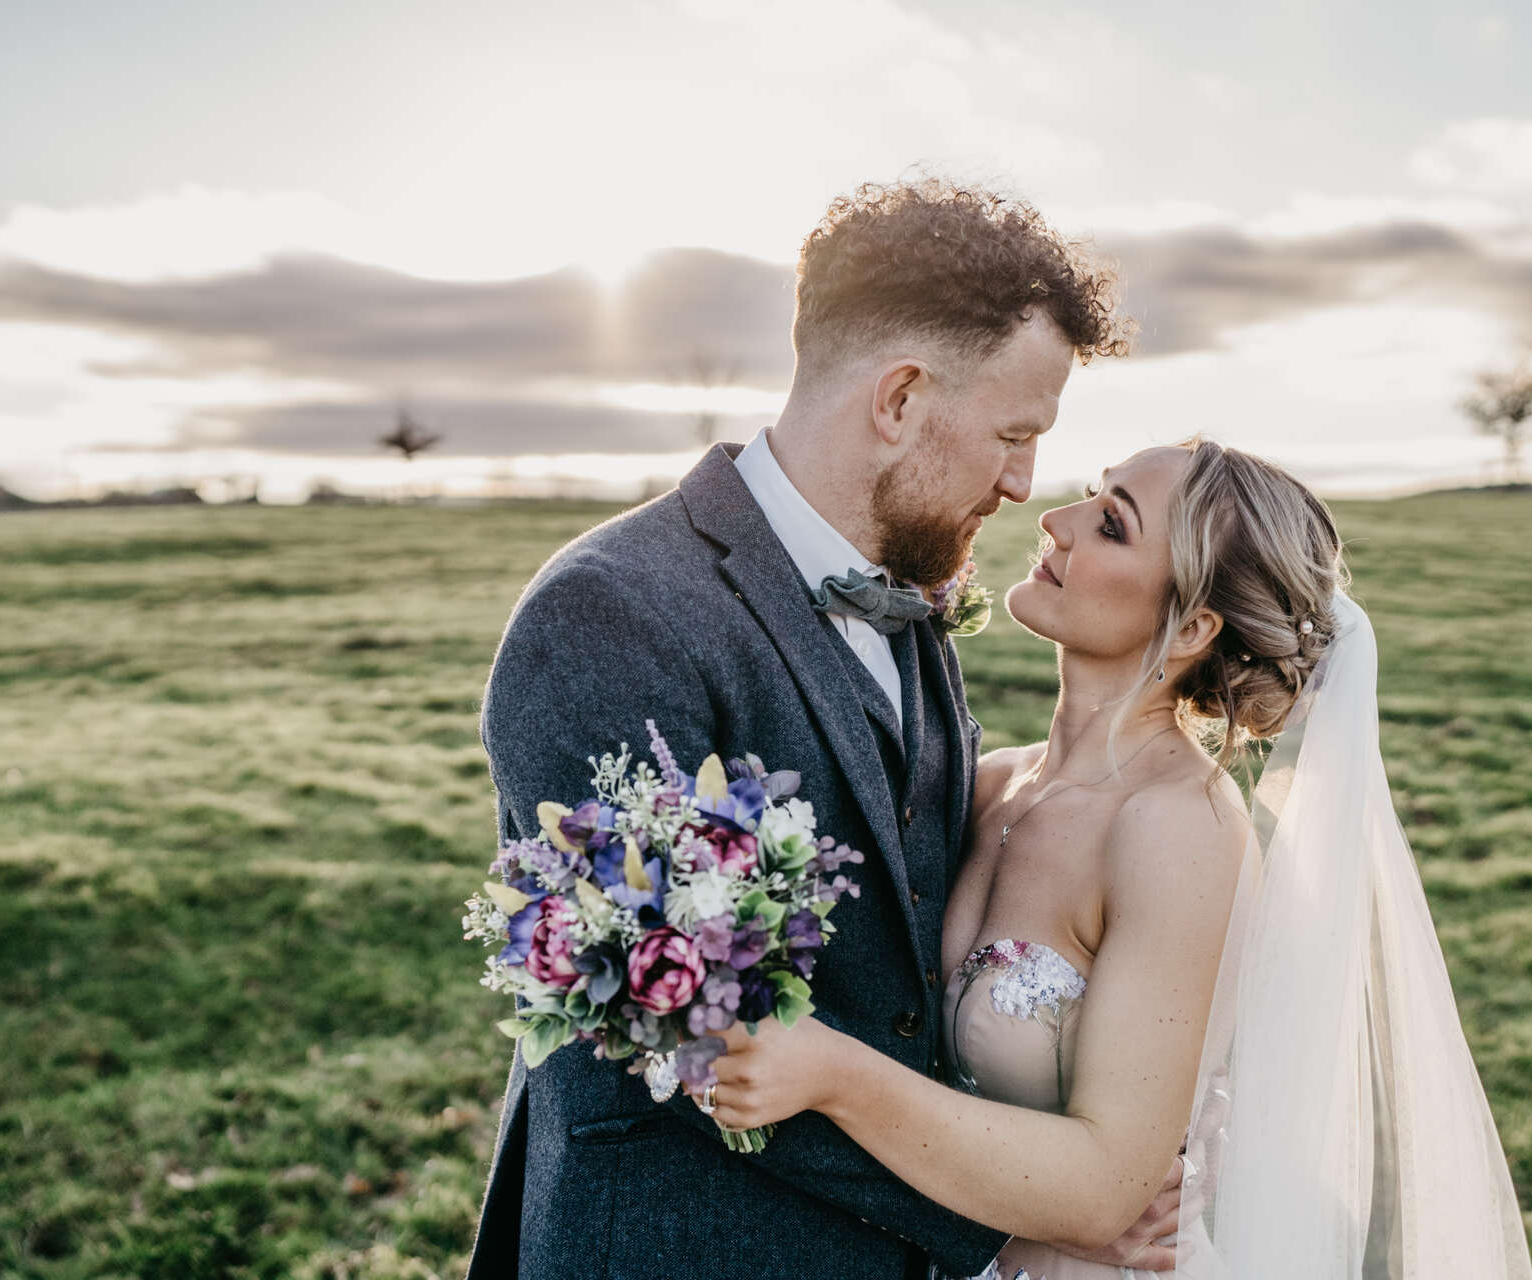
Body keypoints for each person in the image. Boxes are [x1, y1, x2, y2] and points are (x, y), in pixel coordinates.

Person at [465, 177, 1177, 1279]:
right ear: (898, 399)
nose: (1024, 481)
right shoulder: (609, 615)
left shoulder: (912, 599)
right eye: (1012, 432)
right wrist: (1015, 1225)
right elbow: (680, 1040)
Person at [706, 438, 1532, 1279]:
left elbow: (1108, 1189)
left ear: (1194, 625)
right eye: (1088, 497)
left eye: (1111, 525)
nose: (1054, 523)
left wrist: (830, 1073)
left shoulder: (1179, 832)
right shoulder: (991, 782)